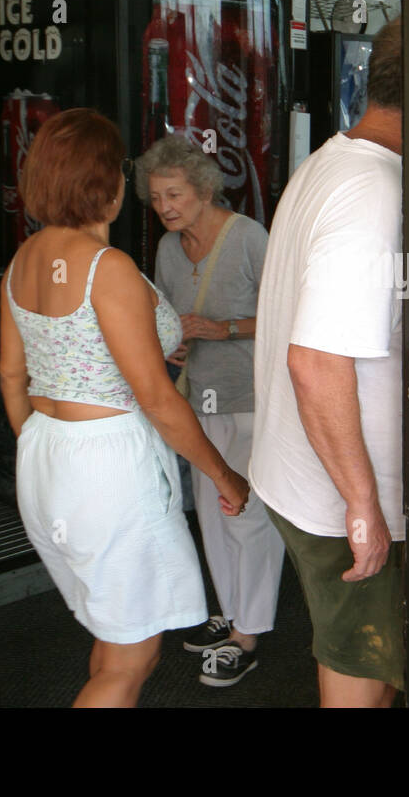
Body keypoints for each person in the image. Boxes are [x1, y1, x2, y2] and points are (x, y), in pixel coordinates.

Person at [0, 108, 249, 708]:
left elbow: (11, 374)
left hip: (44, 453)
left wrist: (47, 449)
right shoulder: (106, 269)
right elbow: (158, 399)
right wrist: (224, 474)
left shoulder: (25, 258)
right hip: (107, 466)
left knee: (115, 637)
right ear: (105, 183)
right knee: (133, 658)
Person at [249, 15, 405, 708]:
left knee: (354, 651)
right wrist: (364, 504)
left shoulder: (332, 160)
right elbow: (313, 360)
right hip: (338, 499)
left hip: (306, 479)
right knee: (358, 663)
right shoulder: (373, 190)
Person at [138, 134, 283, 688]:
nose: (165, 207)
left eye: (173, 194)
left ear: (203, 190)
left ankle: (249, 634)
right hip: (198, 398)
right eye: (155, 198)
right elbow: (169, 318)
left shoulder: (248, 238)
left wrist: (226, 329)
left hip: (251, 398)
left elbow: (288, 314)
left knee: (246, 516)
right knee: (213, 517)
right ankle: (231, 611)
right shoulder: (169, 250)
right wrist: (174, 343)